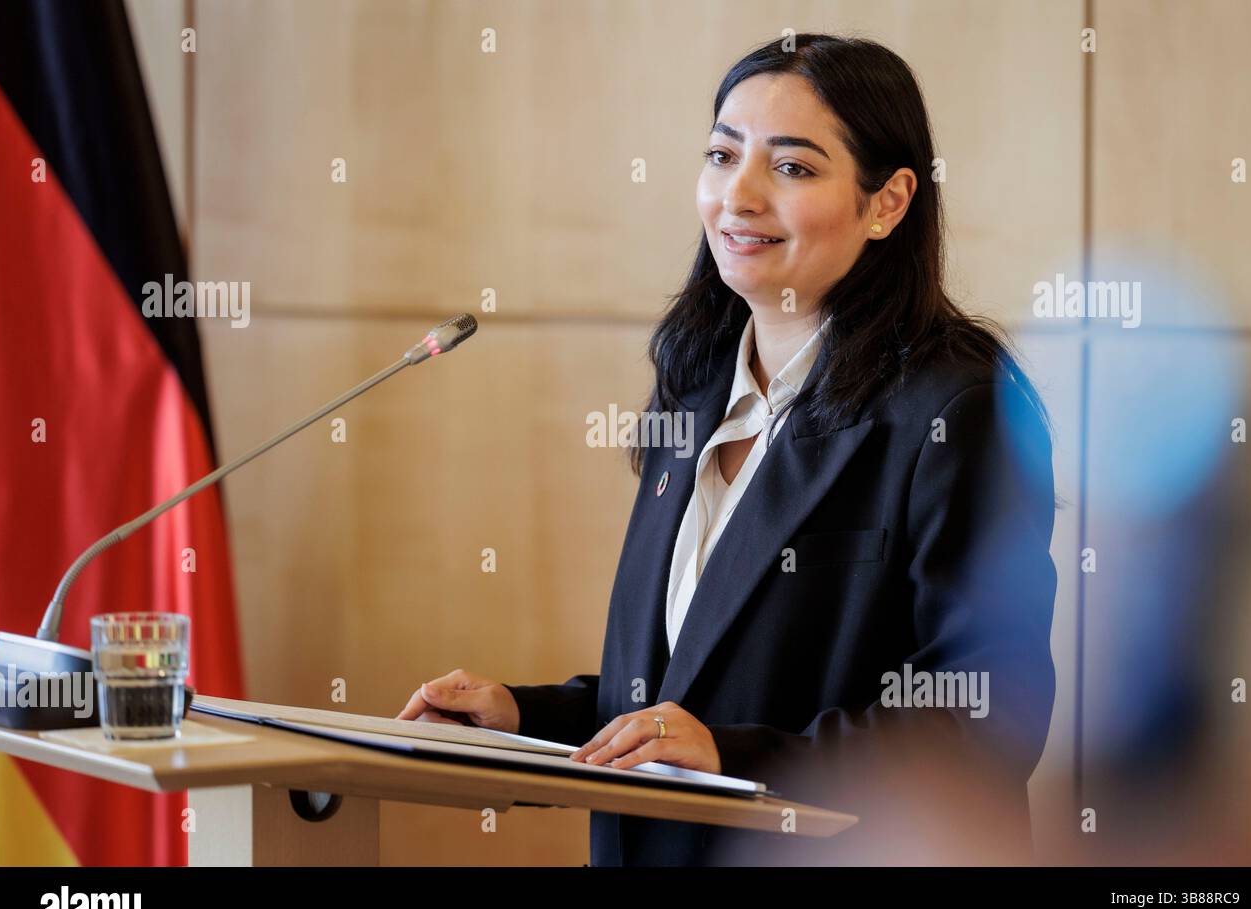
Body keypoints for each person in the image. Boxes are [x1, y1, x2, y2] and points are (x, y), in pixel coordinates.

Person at [397, 33, 1058, 866]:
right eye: (721, 154)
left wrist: (740, 759)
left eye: (792, 168)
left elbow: (988, 721)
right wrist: (526, 720)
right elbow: (694, 696)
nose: (736, 196)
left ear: (887, 201)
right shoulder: (698, 382)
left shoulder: (958, 404)